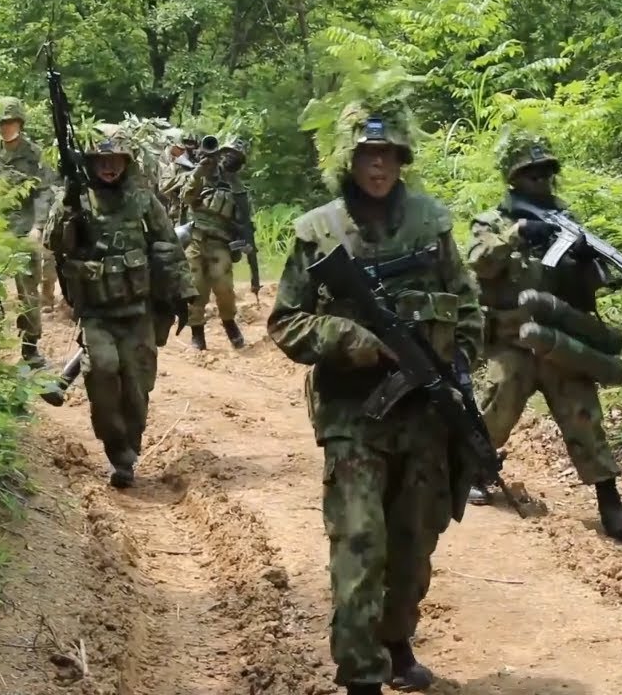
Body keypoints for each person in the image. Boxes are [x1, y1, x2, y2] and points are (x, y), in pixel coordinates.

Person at [267, 102, 482, 695]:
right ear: (350, 160)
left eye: (387, 154)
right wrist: (351, 338)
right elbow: (286, 322)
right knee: (360, 545)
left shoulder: (431, 224)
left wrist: (458, 370)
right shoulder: (320, 231)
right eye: (366, 154)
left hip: (424, 416)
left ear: (401, 158)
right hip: (353, 416)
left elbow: (465, 305)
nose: (378, 164)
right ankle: (361, 675)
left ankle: (395, 639)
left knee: (413, 547)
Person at [464, 133, 622, 543]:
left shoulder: (568, 222)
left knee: (583, 414)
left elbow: (586, 293)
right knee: (497, 400)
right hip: (511, 338)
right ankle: (476, 470)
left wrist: (585, 261)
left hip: (557, 339)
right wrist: (519, 235)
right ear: (513, 180)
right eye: (530, 174)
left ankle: (609, 499)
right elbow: (478, 262)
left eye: (546, 174)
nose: (540, 182)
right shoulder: (494, 222)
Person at [46, 124, 195, 487]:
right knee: (101, 373)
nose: (109, 167)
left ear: (127, 163)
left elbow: (169, 248)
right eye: (102, 160)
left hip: (138, 309)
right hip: (96, 312)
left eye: (116, 160)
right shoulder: (76, 199)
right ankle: (117, 452)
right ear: (91, 163)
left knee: (136, 387)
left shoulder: (143, 200)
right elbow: (55, 244)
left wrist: (184, 296)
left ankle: (131, 449)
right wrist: (66, 208)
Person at [0, 96, 54, 367]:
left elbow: (44, 192)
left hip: (25, 229)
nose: (6, 127)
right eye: (2, 122)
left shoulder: (34, 154)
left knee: (28, 291)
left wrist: (38, 227)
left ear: (21, 122)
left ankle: (30, 347)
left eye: (11, 121)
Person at [175, 136, 251, 350]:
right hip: (196, 237)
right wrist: (199, 173)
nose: (228, 160)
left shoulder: (237, 188)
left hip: (220, 242)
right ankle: (197, 332)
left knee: (224, 287)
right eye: (225, 155)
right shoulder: (200, 175)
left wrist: (244, 242)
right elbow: (186, 198)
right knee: (195, 287)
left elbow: (243, 219)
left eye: (234, 158)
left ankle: (229, 323)